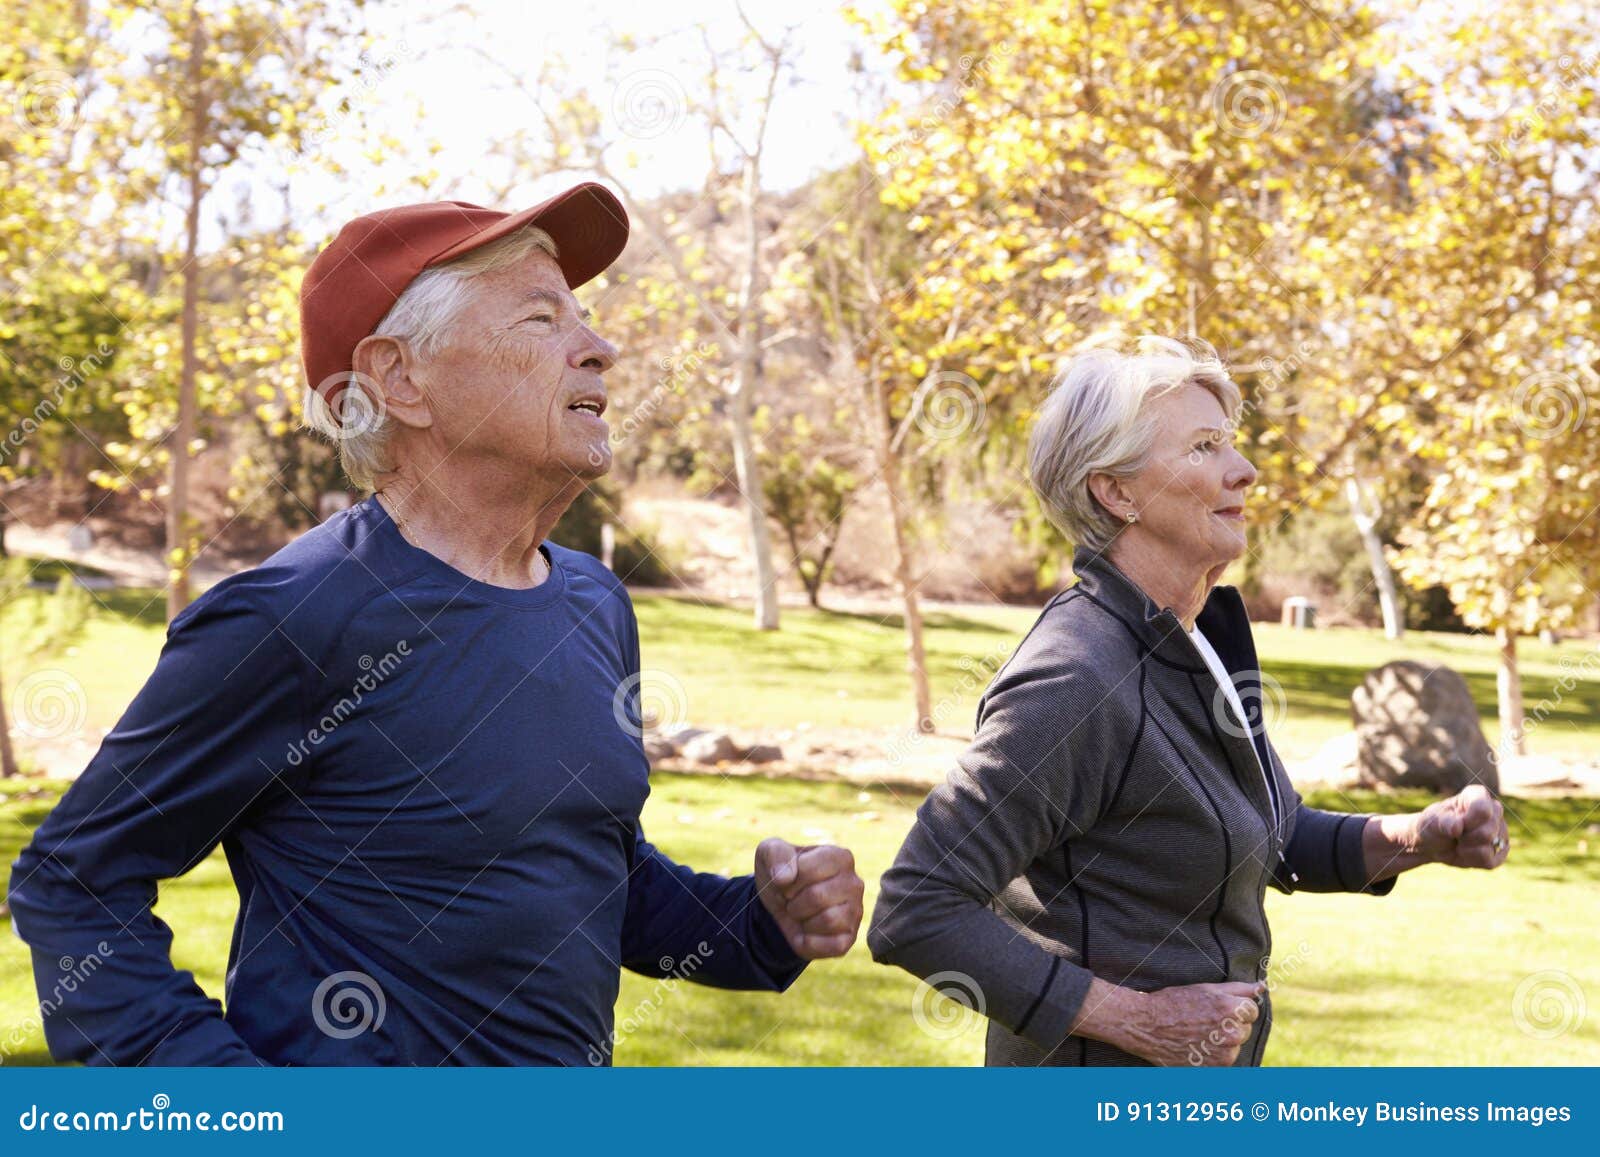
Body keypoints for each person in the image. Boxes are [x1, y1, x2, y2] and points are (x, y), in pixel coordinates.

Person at [8, 183, 864, 1066]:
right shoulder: (295, 614)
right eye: (541, 320)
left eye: (585, 319)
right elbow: (74, 878)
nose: (599, 348)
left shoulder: (593, 602)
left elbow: (580, 874)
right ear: (399, 379)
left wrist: (761, 923)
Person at [868, 336, 1508, 1066]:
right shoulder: (1077, 676)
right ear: (1117, 490)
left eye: (1229, 441)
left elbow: (1273, 832)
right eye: (1205, 447)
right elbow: (916, 905)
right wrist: (1137, 1019)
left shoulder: (1192, 642)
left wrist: (1418, 836)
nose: (1246, 468)